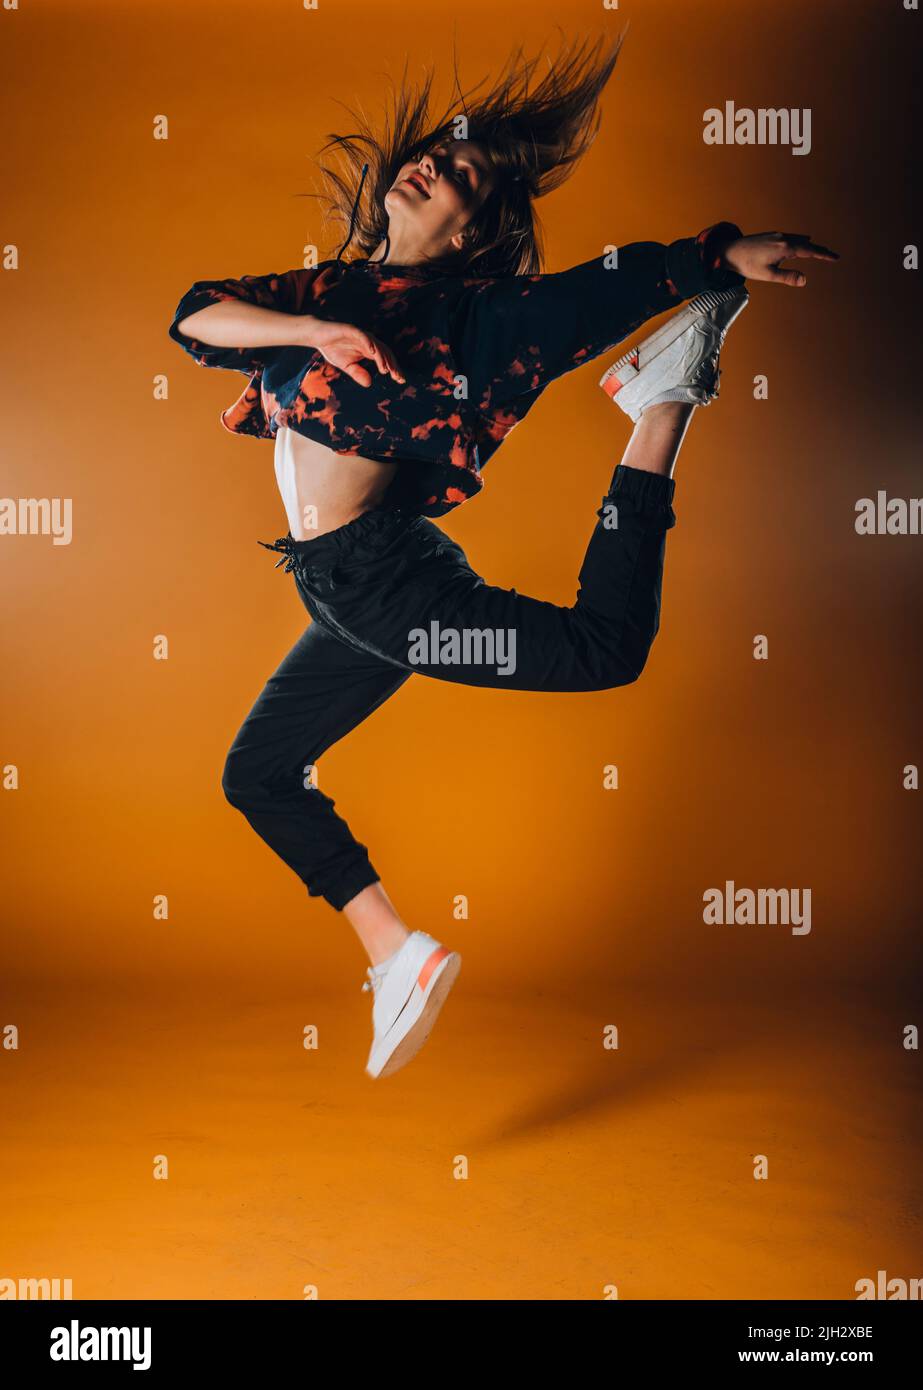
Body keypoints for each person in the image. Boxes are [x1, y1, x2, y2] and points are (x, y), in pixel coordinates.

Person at [167, 36, 838, 1079]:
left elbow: (597, 290)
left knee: (605, 646)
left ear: (473, 229)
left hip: (390, 589)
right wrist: (312, 331)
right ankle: (394, 952)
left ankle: (657, 409)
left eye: (462, 173)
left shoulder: (472, 317)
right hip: (344, 595)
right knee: (256, 772)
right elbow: (196, 315)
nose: (432, 165)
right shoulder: (328, 291)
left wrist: (716, 257)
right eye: (435, 154)